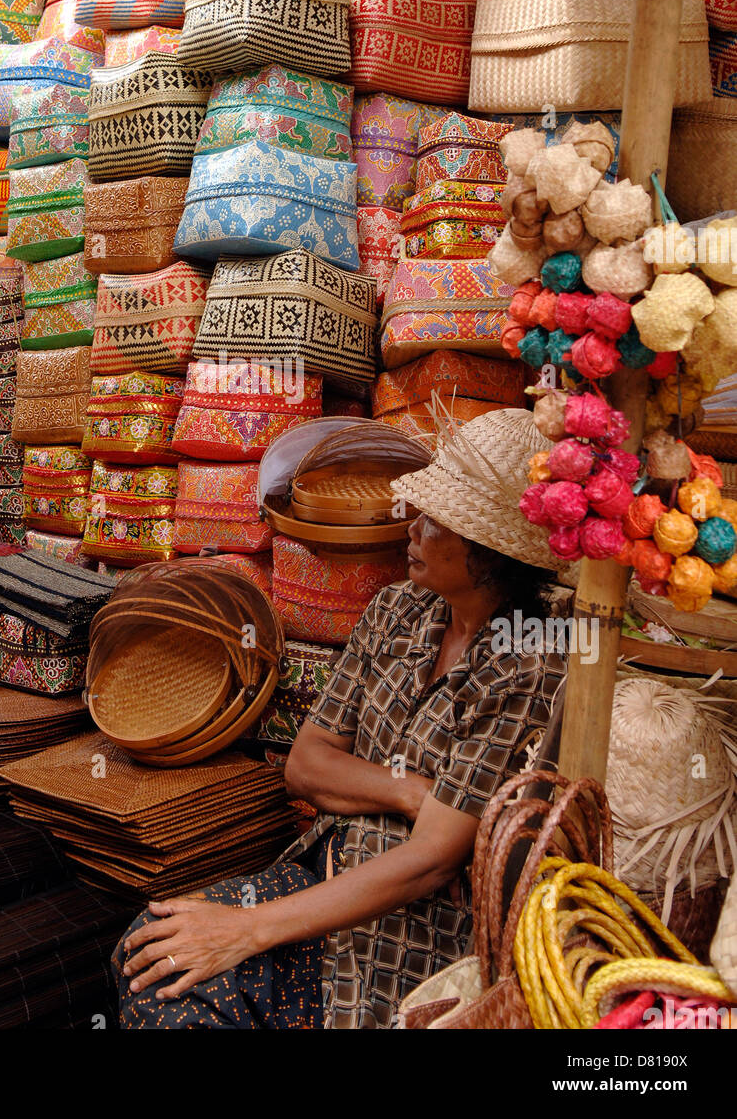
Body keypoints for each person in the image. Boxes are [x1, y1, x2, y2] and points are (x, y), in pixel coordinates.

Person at [114, 408, 568, 1029]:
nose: (410, 527)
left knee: (181, 1003)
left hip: (415, 927)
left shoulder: (528, 660)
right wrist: (411, 792)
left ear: (488, 551)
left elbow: (434, 859)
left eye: (433, 520)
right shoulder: (398, 611)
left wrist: (248, 930)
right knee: (150, 952)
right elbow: (305, 765)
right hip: (327, 867)